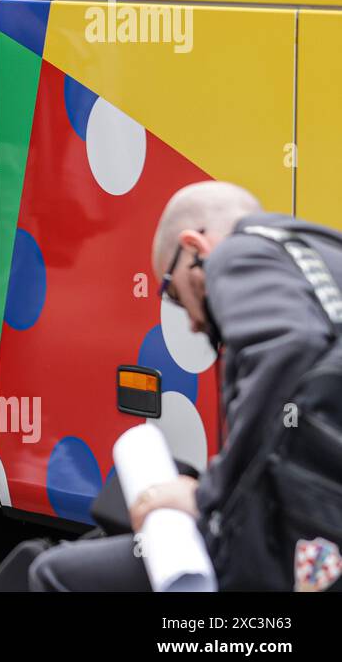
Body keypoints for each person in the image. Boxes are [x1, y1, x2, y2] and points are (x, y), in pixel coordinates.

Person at [27, 180, 342, 590]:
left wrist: (207, 495)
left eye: (173, 294)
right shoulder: (322, 251)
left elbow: (289, 348)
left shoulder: (238, 253)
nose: (193, 323)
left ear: (194, 247)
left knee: (53, 573)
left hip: (298, 533)